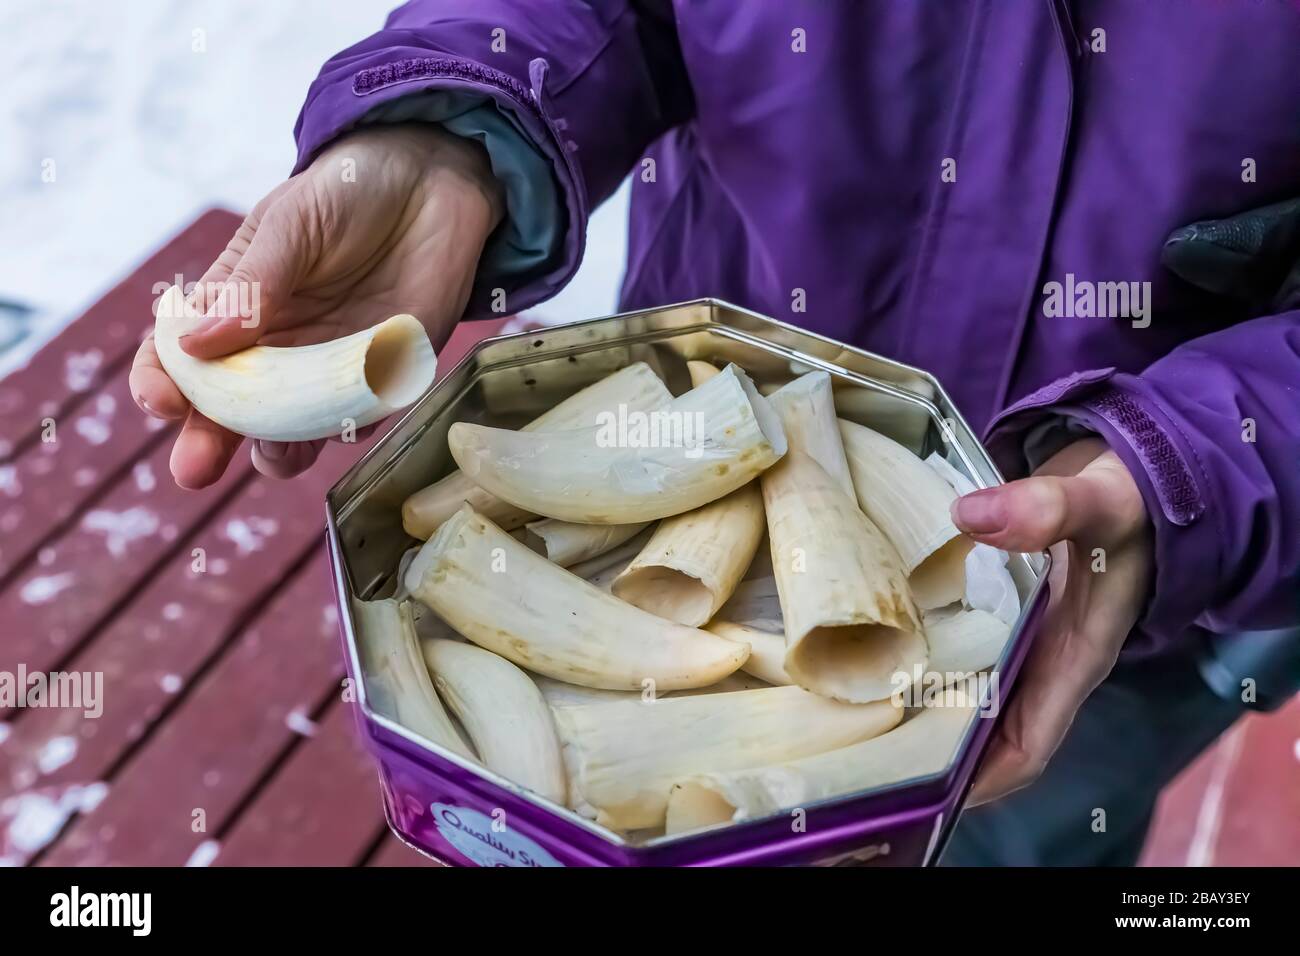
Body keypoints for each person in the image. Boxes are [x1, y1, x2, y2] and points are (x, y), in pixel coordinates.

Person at [128, 2, 1300, 863]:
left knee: (1022, 842)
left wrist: (1198, 460)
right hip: (676, 452)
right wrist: (449, 128)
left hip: (1124, 617)